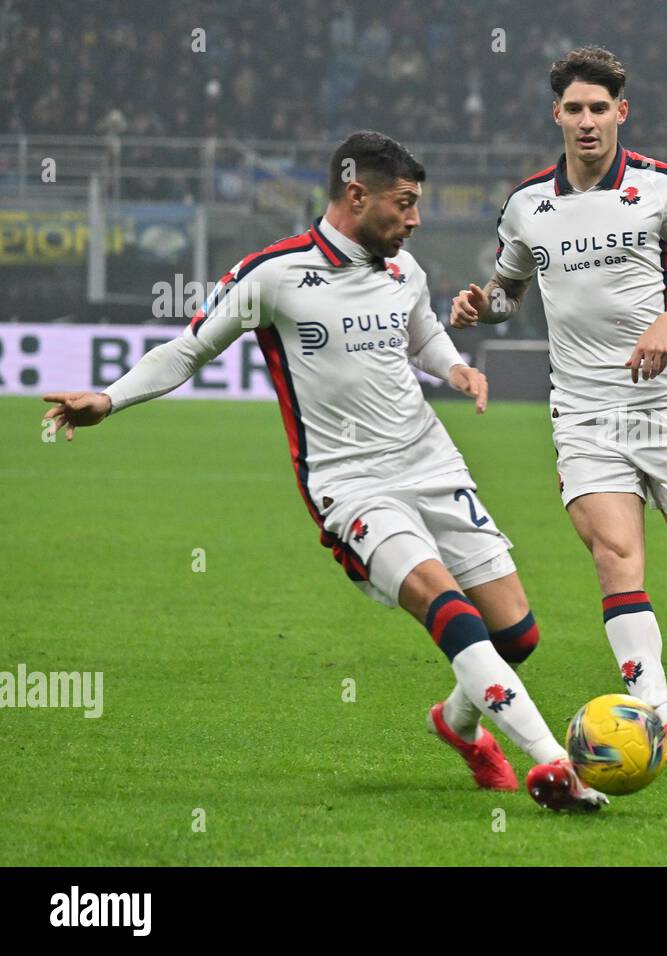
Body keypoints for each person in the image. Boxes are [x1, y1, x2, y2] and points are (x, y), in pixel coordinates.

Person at [42, 130, 607, 813]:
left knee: (517, 634)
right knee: (443, 604)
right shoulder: (273, 275)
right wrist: (109, 397)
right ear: (355, 194)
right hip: (350, 485)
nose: (416, 218)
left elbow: (421, 332)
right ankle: (552, 765)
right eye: (404, 203)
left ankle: (457, 725)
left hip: (431, 462)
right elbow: (186, 349)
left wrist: (453, 365)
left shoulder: (404, 269)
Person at [450, 47, 667, 762]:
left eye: (599, 108)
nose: (587, 121)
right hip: (582, 412)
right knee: (617, 558)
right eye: (574, 109)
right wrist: (479, 306)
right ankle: (659, 718)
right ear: (557, 114)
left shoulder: (664, 189)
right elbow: (508, 291)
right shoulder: (528, 205)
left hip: (666, 403)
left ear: (621, 111)